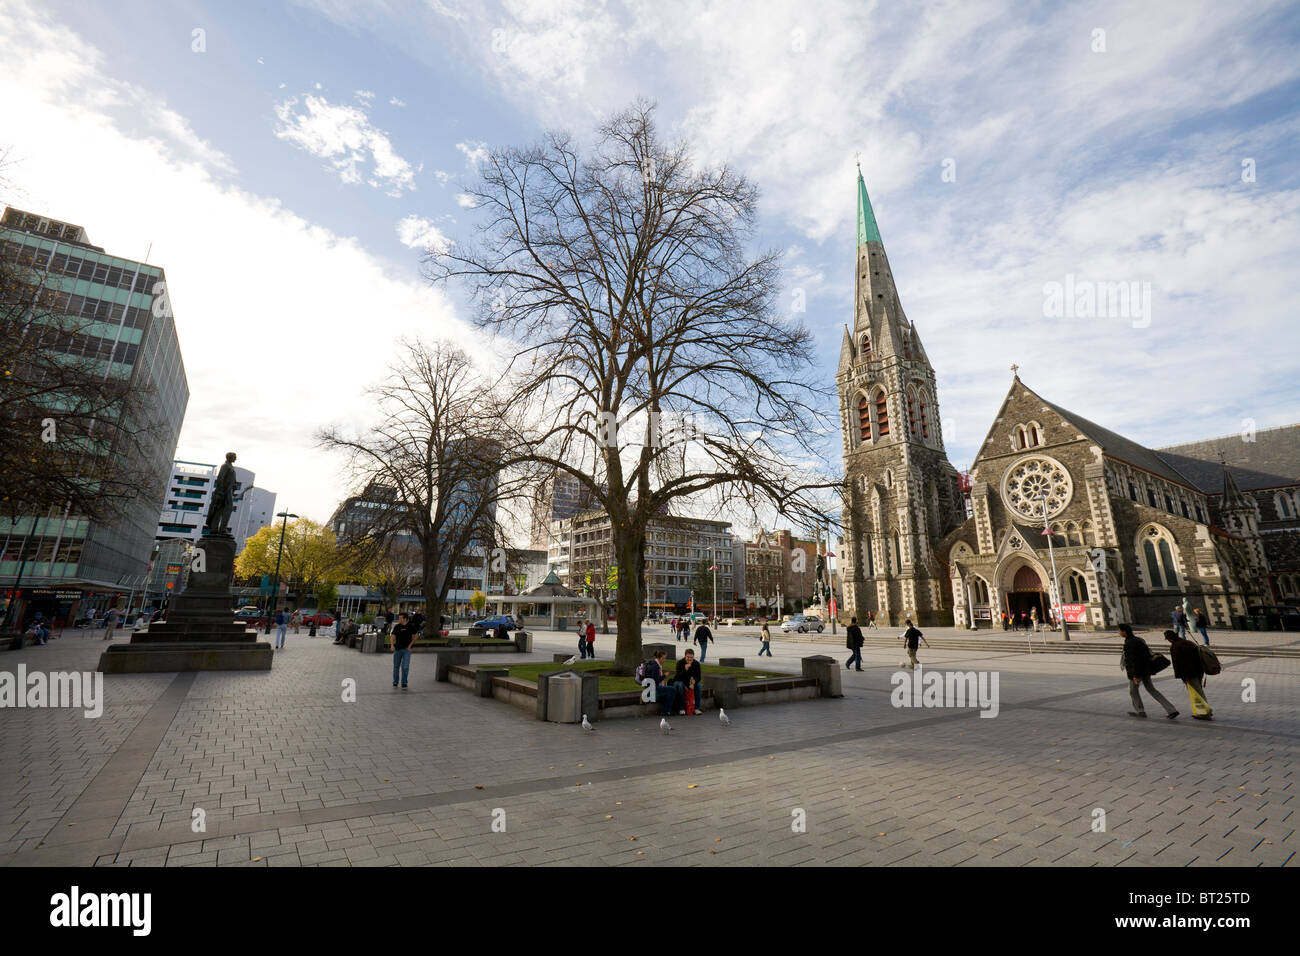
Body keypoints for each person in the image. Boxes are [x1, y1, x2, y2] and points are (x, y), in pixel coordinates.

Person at [1120, 623, 1178, 719]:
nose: (1119, 633)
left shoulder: (1130, 643)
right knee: (1151, 690)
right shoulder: (1139, 640)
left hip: (1137, 672)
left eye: (1120, 631)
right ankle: (1171, 709)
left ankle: (1140, 711)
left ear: (1124, 632)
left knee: (1133, 691)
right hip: (1146, 670)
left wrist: (1136, 675)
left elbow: (1134, 660)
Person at [1164, 628, 1212, 720]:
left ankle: (1205, 713)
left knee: (1196, 694)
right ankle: (1206, 712)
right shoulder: (1188, 642)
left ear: (1169, 639)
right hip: (1199, 670)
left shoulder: (1175, 646)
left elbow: (1177, 663)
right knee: (1199, 691)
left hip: (1189, 673)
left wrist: (1181, 676)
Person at [645, 650, 679, 716]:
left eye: (665, 658)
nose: (664, 660)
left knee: (669, 692)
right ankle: (667, 711)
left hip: (651, 687)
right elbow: (655, 680)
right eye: (663, 658)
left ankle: (666, 711)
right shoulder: (655, 667)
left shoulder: (654, 663)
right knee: (673, 689)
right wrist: (664, 675)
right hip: (652, 689)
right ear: (658, 658)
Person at [391, 612, 417, 689]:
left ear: (405, 618)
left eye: (400, 618)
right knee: (396, 667)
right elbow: (392, 637)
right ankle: (395, 682)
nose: (399, 619)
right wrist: (392, 645)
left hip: (406, 650)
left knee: (405, 667)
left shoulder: (410, 626)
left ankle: (404, 682)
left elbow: (416, 636)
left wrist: (410, 645)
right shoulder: (397, 627)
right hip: (397, 650)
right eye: (399, 618)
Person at [674, 648, 702, 715]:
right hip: (680, 682)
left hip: (691, 683)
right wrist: (685, 669)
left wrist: (694, 681)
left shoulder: (696, 664)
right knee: (680, 685)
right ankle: (682, 708)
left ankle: (696, 708)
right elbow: (677, 677)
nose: (689, 659)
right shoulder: (680, 663)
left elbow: (699, 677)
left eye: (691, 657)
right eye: (688, 657)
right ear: (685, 656)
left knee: (699, 686)